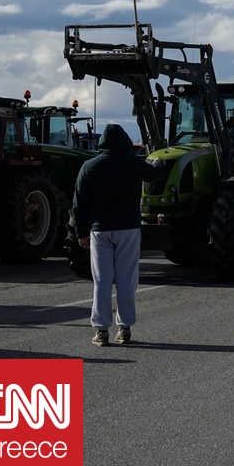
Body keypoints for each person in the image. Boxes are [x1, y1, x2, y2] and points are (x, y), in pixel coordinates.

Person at [73, 123, 164, 347]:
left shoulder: (89, 166)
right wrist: (159, 162)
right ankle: (124, 329)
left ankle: (101, 331)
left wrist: (81, 232)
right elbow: (154, 175)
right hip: (128, 228)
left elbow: (79, 203)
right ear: (124, 141)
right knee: (126, 280)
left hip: (100, 230)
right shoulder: (132, 163)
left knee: (102, 281)